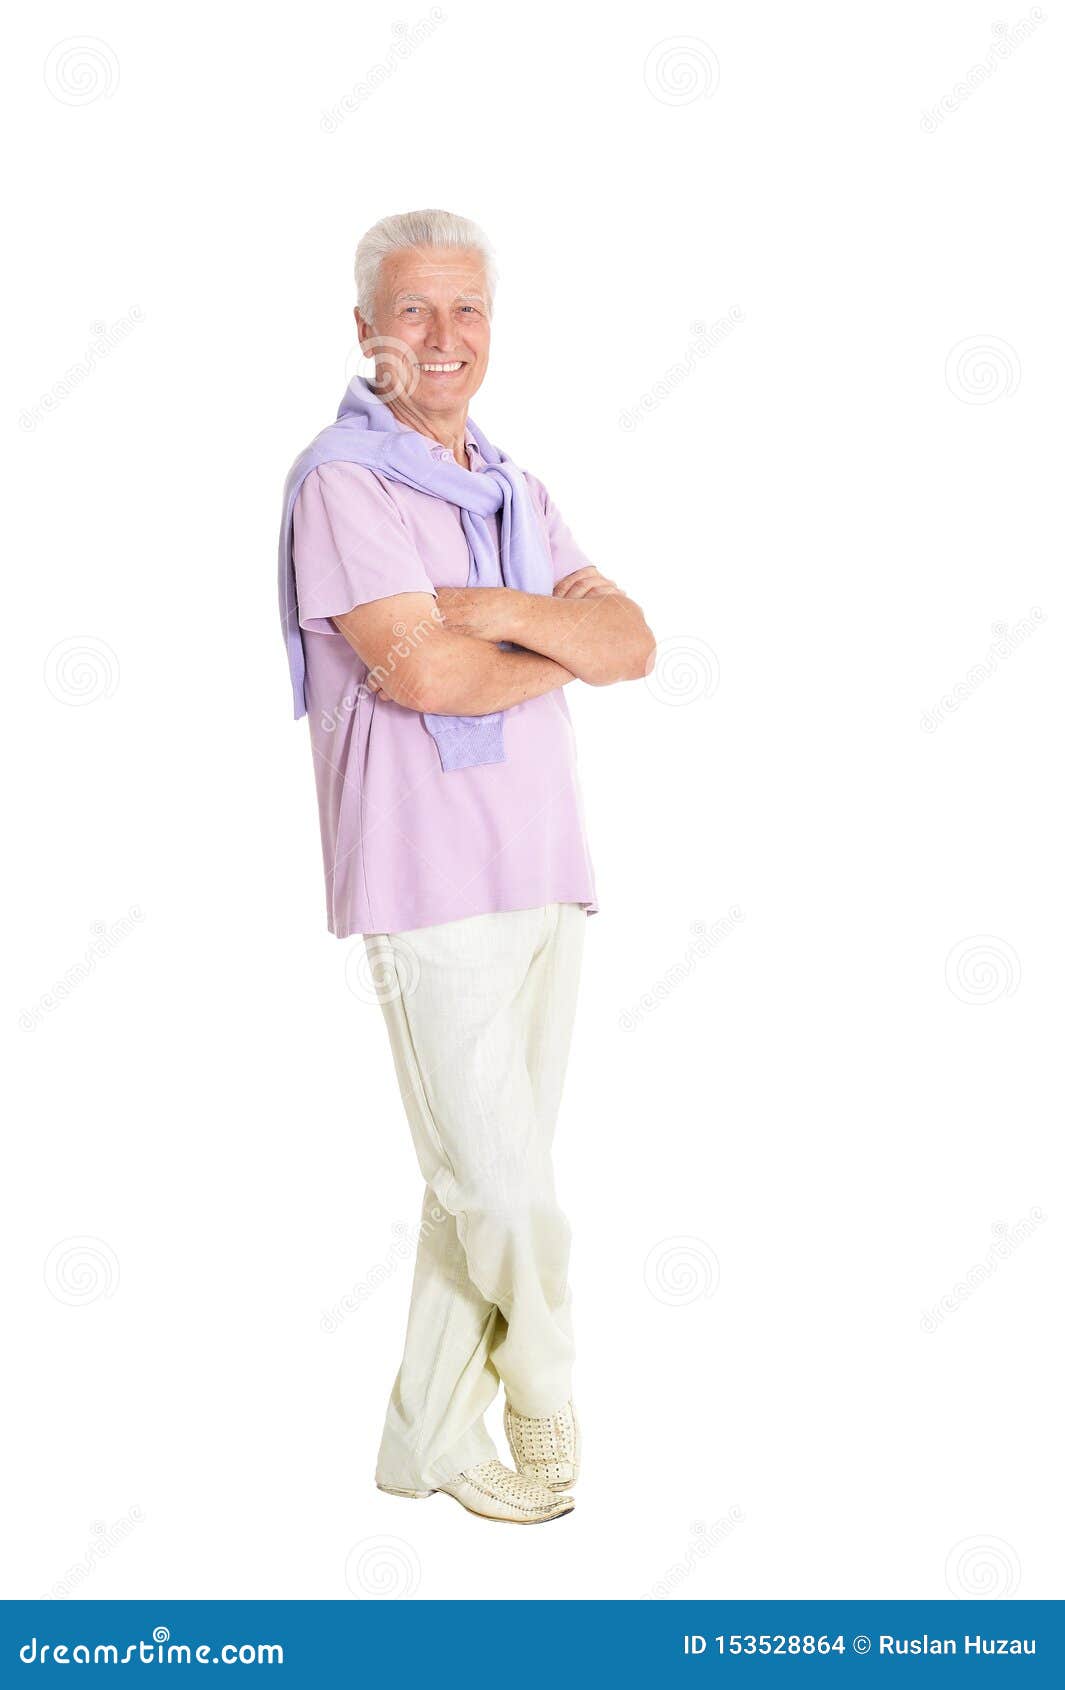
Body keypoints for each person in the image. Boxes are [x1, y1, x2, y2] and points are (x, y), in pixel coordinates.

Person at [278, 208, 655, 1524]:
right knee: (494, 1177)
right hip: (423, 874)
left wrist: (494, 608)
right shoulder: (343, 482)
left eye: (467, 310)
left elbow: (634, 643)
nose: (444, 339)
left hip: (544, 861)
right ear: (368, 330)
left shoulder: (512, 486)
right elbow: (420, 672)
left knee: (476, 1176)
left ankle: (424, 1438)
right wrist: (553, 636)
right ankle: (543, 1377)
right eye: (415, 311)